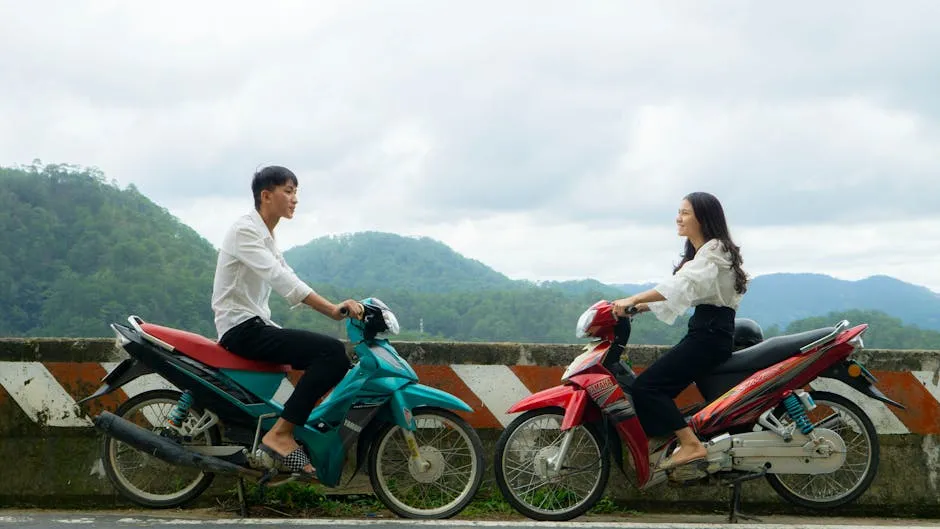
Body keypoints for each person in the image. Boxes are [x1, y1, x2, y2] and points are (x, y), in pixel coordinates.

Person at [211, 165, 364, 478]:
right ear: (266, 196)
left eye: (296, 192)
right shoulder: (245, 231)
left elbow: (287, 272)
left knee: (337, 364)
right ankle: (280, 434)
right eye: (288, 191)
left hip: (255, 325)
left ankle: (287, 431)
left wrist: (336, 307)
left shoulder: (265, 235)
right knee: (331, 352)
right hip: (242, 329)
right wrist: (333, 310)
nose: (295, 199)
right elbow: (280, 279)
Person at [612, 192, 748, 471]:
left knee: (648, 387)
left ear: (703, 217)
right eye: (679, 212)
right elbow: (681, 293)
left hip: (709, 336)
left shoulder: (715, 250)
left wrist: (634, 299)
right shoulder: (704, 254)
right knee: (656, 387)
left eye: (685, 213)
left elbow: (679, 286)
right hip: (707, 332)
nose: (678, 218)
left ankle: (691, 445)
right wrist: (638, 308)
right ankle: (676, 440)